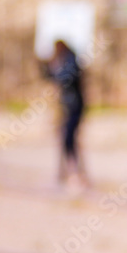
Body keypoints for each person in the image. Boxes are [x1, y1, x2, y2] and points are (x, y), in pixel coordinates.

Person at [41, 40, 89, 187]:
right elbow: (52, 78)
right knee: (66, 138)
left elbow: (64, 78)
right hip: (68, 105)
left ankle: (74, 171)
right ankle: (70, 170)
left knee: (69, 137)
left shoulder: (71, 60)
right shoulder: (64, 60)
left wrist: (53, 68)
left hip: (74, 105)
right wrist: (45, 66)